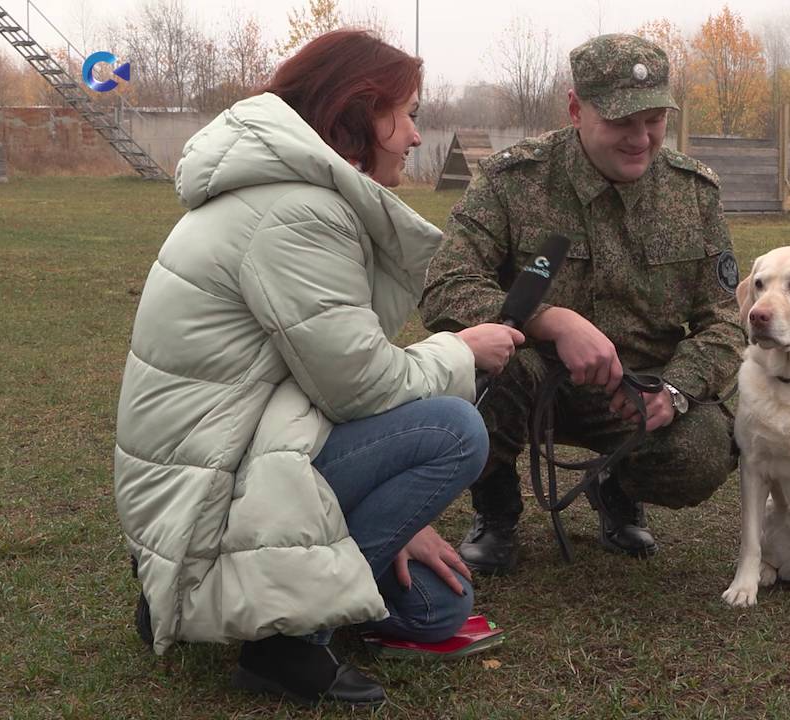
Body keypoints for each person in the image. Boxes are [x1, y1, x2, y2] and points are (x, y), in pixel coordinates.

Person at [113, 30, 522, 707]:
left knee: (436, 611)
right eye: (407, 112)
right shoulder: (297, 211)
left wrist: (401, 512)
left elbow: (318, 376)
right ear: (361, 112)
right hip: (214, 490)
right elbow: (358, 384)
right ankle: (280, 643)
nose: (416, 135)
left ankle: (185, 594)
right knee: (454, 427)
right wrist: (462, 351)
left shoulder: (282, 193)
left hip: (244, 458)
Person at [420, 34, 742, 575]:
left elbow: (724, 320)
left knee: (704, 449)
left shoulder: (694, 193)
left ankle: (615, 487)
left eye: (654, 119)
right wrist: (550, 321)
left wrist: (675, 390)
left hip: (634, 390)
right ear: (576, 108)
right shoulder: (514, 180)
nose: (641, 138)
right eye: (621, 121)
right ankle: (496, 511)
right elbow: (444, 284)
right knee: (479, 374)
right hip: (529, 378)